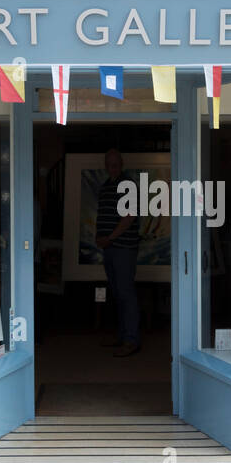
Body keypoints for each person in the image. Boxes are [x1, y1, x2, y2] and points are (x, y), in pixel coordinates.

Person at [95, 148, 141, 357]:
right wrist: (101, 238)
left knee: (126, 294)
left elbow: (130, 216)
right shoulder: (106, 187)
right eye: (108, 163)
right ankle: (123, 336)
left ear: (121, 164)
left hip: (123, 248)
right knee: (118, 294)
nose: (111, 167)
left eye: (114, 163)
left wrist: (110, 237)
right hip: (109, 249)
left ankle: (131, 340)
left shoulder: (128, 185)